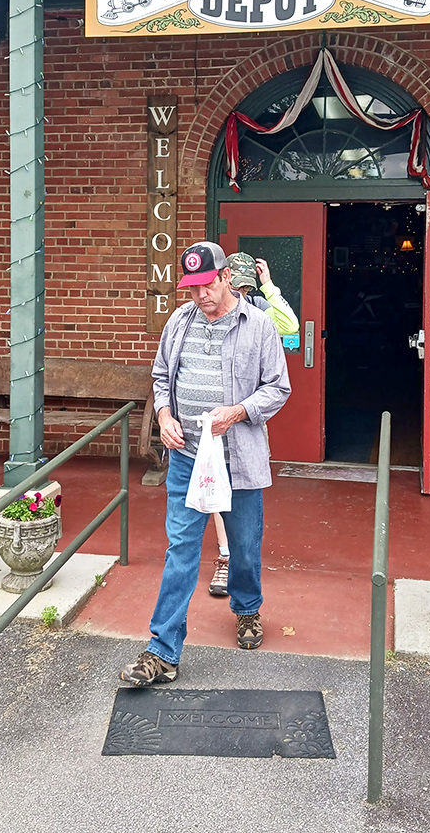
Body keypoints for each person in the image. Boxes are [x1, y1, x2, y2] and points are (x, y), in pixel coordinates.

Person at [121, 241, 291, 686]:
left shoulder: (258, 326)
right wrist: (163, 416)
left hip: (238, 460)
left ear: (226, 278)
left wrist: (235, 413)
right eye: (192, 288)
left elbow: (278, 388)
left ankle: (247, 609)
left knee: (245, 547)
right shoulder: (179, 321)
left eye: (206, 286)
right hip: (187, 459)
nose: (200, 297)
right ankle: (162, 651)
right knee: (180, 550)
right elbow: (161, 376)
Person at [207, 251, 299, 599]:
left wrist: (269, 286)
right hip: (214, 415)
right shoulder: (209, 311)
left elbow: (290, 326)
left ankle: (242, 562)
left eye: (247, 285)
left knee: (244, 492)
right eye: (238, 283)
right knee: (215, 485)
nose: (241, 292)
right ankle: (226, 556)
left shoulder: (260, 309)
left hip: (247, 418)